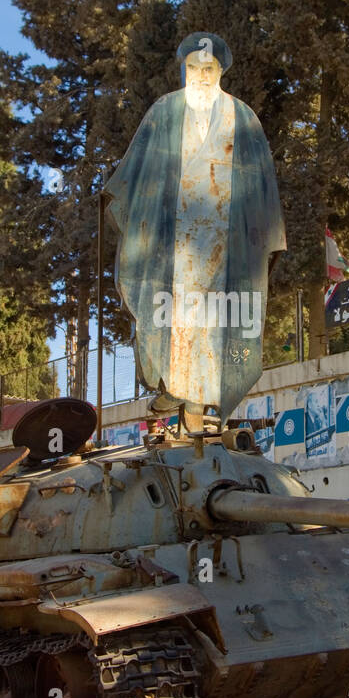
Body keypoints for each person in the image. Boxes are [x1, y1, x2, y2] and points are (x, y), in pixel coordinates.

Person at [104, 33, 286, 420]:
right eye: (193, 68)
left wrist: (264, 240)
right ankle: (176, 388)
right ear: (182, 69)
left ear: (221, 70)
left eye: (209, 69)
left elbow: (263, 186)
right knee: (176, 317)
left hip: (228, 243)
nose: (201, 76)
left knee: (221, 318)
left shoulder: (244, 118)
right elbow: (137, 174)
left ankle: (205, 399)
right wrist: (116, 195)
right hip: (175, 244)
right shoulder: (164, 112)